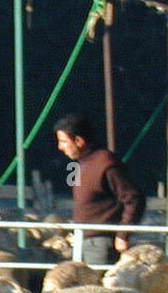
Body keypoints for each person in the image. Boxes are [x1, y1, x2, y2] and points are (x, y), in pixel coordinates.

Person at [54, 112, 143, 266]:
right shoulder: (78, 164)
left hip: (100, 243)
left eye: (63, 141)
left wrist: (123, 234)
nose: (60, 147)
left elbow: (133, 198)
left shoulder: (106, 163)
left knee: (99, 288)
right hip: (82, 240)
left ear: (79, 141)